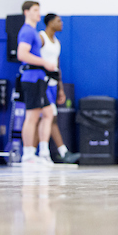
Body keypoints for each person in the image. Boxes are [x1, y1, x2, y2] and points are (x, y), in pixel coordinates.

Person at [16, 1, 58, 167]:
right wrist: (44, 62)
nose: (38, 13)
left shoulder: (33, 32)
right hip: (31, 78)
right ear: (26, 12)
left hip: (39, 78)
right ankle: (27, 154)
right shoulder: (26, 32)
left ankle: (43, 152)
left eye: (38, 10)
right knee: (32, 116)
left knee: (48, 114)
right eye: (34, 10)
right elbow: (22, 54)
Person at [39, 14, 79, 163]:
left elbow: (57, 67)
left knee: (50, 118)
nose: (61, 23)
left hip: (52, 85)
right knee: (45, 117)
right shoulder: (41, 37)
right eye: (58, 21)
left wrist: (60, 88)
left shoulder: (57, 42)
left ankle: (60, 152)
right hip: (41, 82)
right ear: (50, 23)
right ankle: (42, 153)